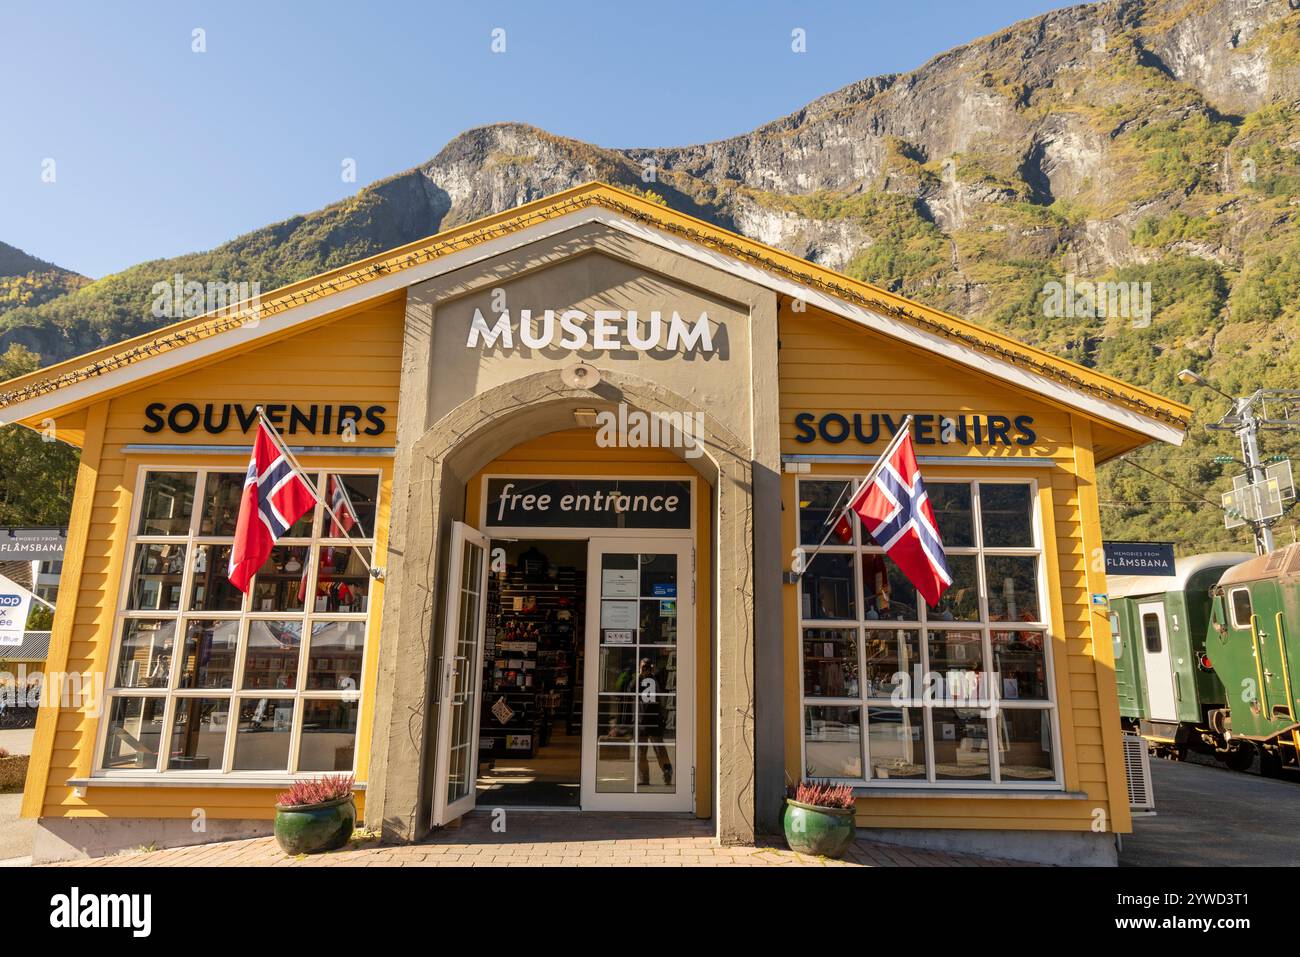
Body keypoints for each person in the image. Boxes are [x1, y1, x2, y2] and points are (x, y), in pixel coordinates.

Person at [636, 658, 673, 787]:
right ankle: (645, 778)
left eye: (646, 667)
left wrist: (648, 673)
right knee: (644, 752)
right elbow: (630, 690)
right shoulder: (644, 679)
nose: (645, 669)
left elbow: (662, 693)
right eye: (643, 667)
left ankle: (665, 771)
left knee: (657, 749)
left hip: (649, 719)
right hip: (644, 720)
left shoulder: (653, 678)